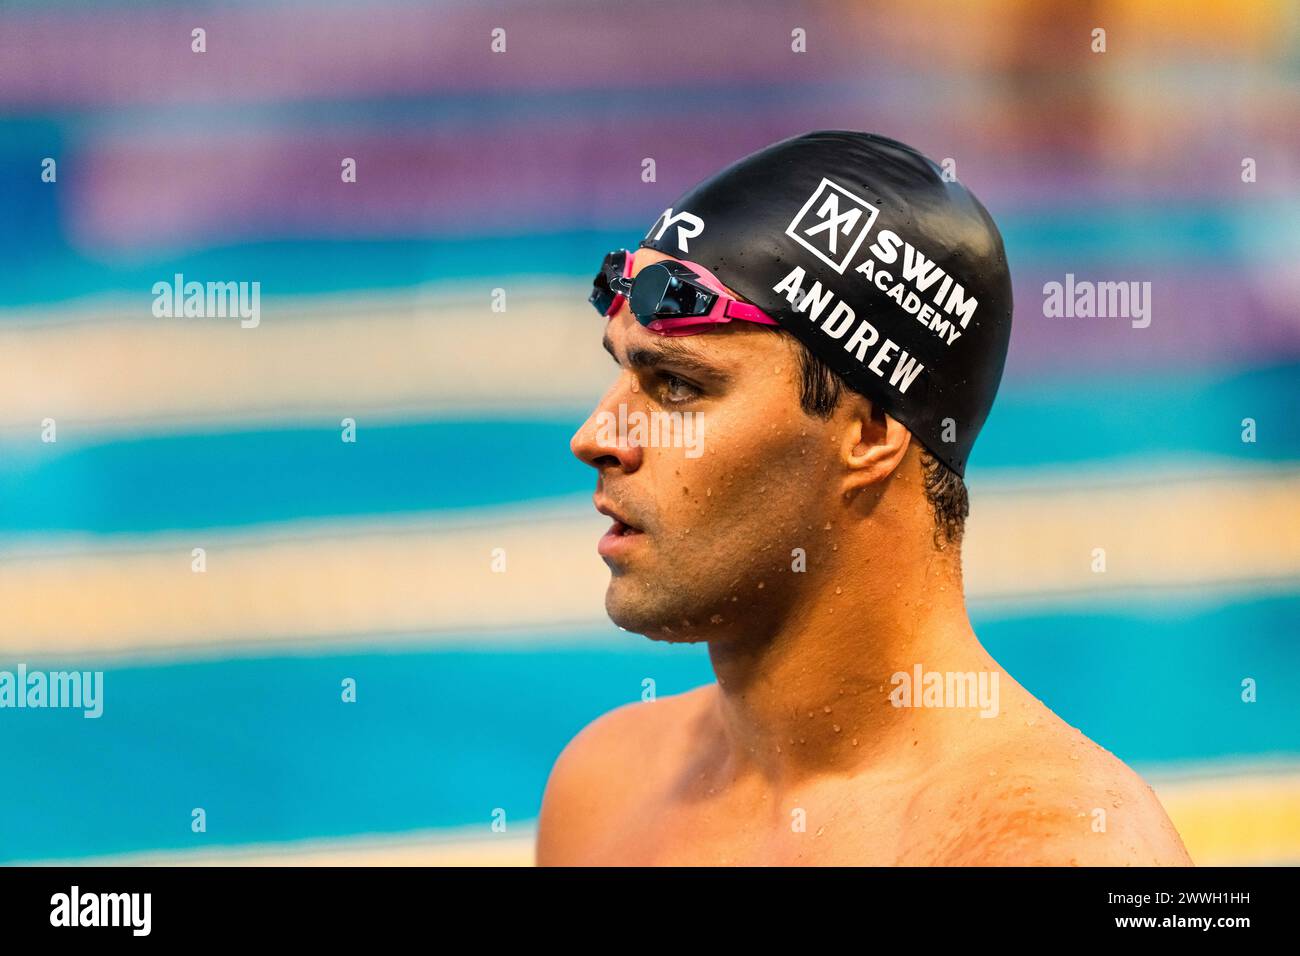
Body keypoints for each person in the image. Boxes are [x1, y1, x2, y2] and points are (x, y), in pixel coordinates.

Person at [537, 131, 1191, 866]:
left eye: (680, 386)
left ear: (872, 430)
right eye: (622, 373)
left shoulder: (1046, 851)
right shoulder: (604, 792)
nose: (596, 436)